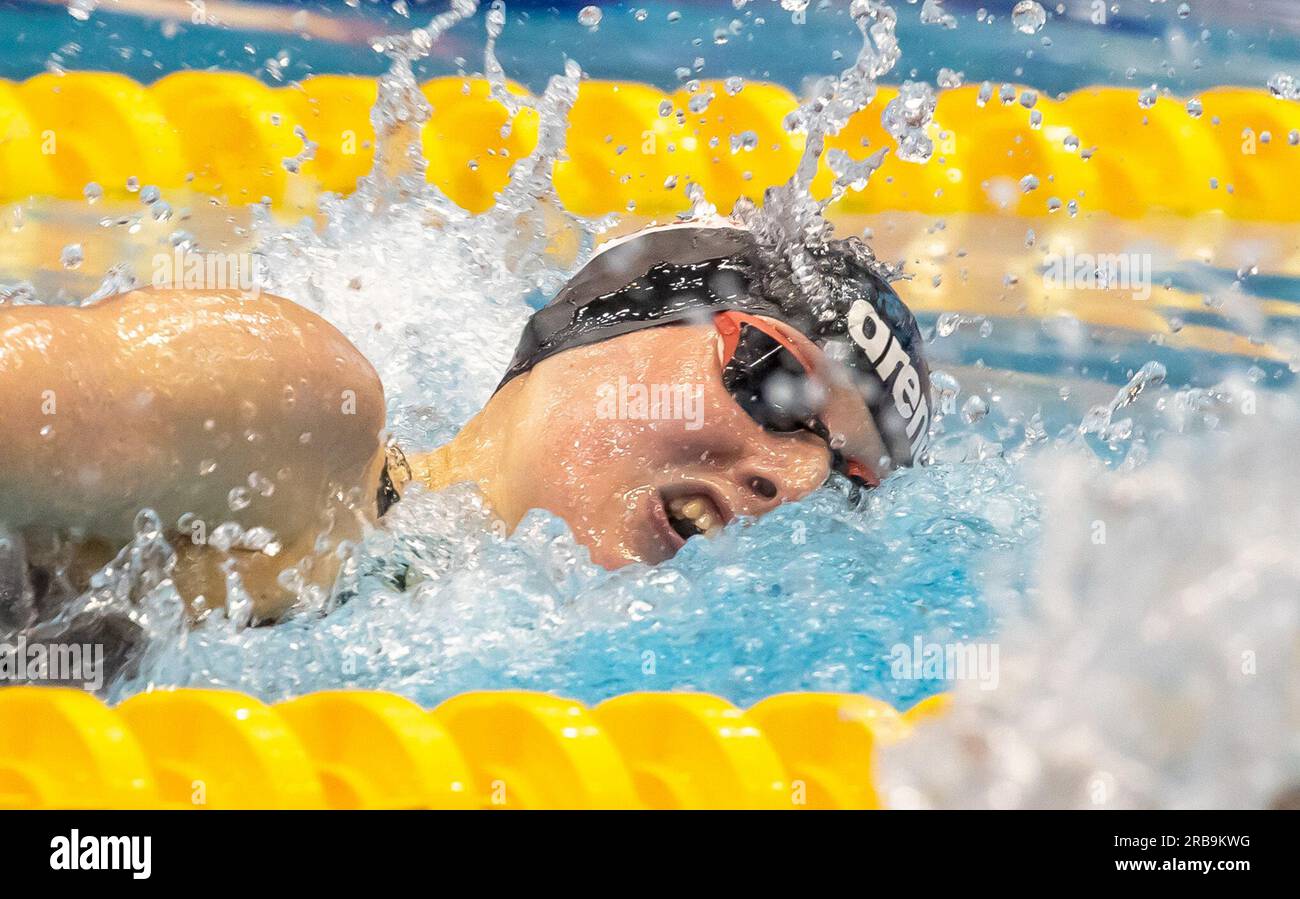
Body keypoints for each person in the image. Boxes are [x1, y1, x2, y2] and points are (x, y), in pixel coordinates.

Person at [0, 220, 930, 626]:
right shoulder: (290, 412)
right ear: (606, 320)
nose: (793, 483)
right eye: (773, 385)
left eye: (843, 483)